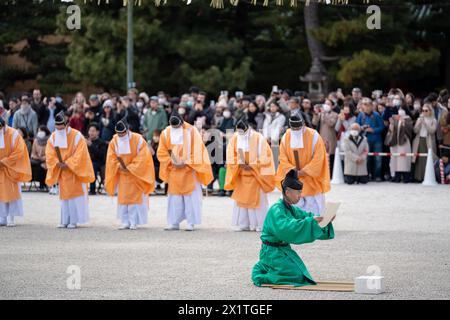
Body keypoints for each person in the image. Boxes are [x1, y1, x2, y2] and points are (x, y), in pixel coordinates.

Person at [251, 169, 335, 287]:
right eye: (298, 193)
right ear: (287, 192)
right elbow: (287, 228)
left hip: (283, 249)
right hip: (271, 252)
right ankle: (260, 273)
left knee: (300, 273)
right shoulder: (277, 209)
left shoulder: (291, 208)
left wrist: (323, 219)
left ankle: (267, 267)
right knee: (296, 276)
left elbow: (307, 216)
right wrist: (311, 222)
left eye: (300, 192)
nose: (300, 196)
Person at [157, 111, 213, 231]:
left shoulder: (191, 131)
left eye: (178, 126)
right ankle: (173, 222)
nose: (176, 128)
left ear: (182, 122)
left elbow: (198, 150)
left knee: (190, 198)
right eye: (173, 126)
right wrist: (172, 162)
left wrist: (185, 162)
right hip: (174, 170)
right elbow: (162, 151)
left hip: (189, 169)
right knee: (174, 198)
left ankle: (190, 222)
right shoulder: (166, 132)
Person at [45, 111, 95, 229]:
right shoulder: (53, 136)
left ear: (67, 125)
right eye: (57, 128)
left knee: (74, 197)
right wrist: (57, 163)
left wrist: (68, 163)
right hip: (62, 171)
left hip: (74, 171)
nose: (59, 131)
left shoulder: (77, 136)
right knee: (64, 197)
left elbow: (81, 153)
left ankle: (73, 220)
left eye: (61, 128)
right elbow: (49, 153)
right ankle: (64, 220)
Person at [224, 117, 275, 232]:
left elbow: (265, 156)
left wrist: (252, 165)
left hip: (256, 175)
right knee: (242, 200)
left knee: (258, 201)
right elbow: (230, 154)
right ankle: (244, 224)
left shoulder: (259, 138)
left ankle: (259, 224)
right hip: (241, 173)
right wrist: (239, 164)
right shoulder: (235, 138)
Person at [105, 119, 155, 230]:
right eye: (118, 134)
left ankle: (134, 221)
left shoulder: (138, 139)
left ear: (128, 130)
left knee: (134, 200)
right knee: (123, 199)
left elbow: (144, 156)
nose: (120, 135)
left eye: (122, 133)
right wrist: (119, 165)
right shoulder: (114, 141)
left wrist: (131, 167)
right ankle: (125, 221)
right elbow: (111, 157)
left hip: (136, 175)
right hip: (122, 175)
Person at [276, 114, 330, 216]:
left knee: (313, 207)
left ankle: (314, 226)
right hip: (293, 177)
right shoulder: (285, 137)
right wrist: (293, 170)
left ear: (303, 125)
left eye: (298, 128)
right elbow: (282, 157)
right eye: (293, 128)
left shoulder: (314, 136)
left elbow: (319, 157)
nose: (296, 130)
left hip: (310, 177)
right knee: (294, 207)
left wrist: (304, 171)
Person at [0, 117, 32, 227]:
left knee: (11, 192)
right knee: (1, 194)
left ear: (4, 125)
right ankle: (2, 217)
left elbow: (20, 151)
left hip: (11, 168)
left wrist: (5, 161)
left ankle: (11, 217)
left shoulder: (13, 134)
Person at [356, 98, 385, 181]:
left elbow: (382, 127)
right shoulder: (360, 115)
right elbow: (356, 126)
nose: (366, 107)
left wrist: (373, 130)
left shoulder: (377, 115)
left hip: (377, 140)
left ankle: (377, 176)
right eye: (364, 105)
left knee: (378, 158)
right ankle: (366, 175)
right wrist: (362, 128)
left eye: (368, 105)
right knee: (366, 158)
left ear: (372, 106)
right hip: (365, 140)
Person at [385, 106, 413, 183]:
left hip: (404, 141)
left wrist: (403, 123)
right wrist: (391, 125)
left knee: (404, 160)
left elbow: (410, 130)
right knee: (395, 160)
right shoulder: (395, 119)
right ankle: (396, 177)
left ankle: (406, 177)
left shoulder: (408, 119)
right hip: (395, 142)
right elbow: (391, 130)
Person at [412, 104, 437, 182]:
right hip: (419, 140)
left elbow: (432, 131)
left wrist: (425, 124)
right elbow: (415, 130)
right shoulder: (419, 119)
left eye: (426, 110)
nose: (424, 112)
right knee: (419, 159)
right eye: (423, 110)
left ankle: (427, 177)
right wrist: (419, 123)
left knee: (428, 159)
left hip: (428, 141)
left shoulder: (433, 120)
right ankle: (418, 177)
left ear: (430, 111)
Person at [86, 123, 108, 195]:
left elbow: (101, 156)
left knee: (93, 165)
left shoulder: (102, 143)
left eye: (93, 131)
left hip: (99, 163)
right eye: (90, 131)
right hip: (87, 162)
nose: (91, 133)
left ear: (97, 132)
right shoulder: (85, 142)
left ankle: (92, 189)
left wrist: (91, 146)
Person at [31, 126, 51, 190]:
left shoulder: (49, 140)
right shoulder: (36, 141)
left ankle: (44, 184)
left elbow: (51, 153)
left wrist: (44, 158)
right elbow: (33, 153)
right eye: (39, 131)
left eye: (41, 131)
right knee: (36, 167)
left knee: (43, 167)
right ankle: (40, 184)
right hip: (37, 160)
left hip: (47, 160)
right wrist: (37, 157)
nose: (39, 132)